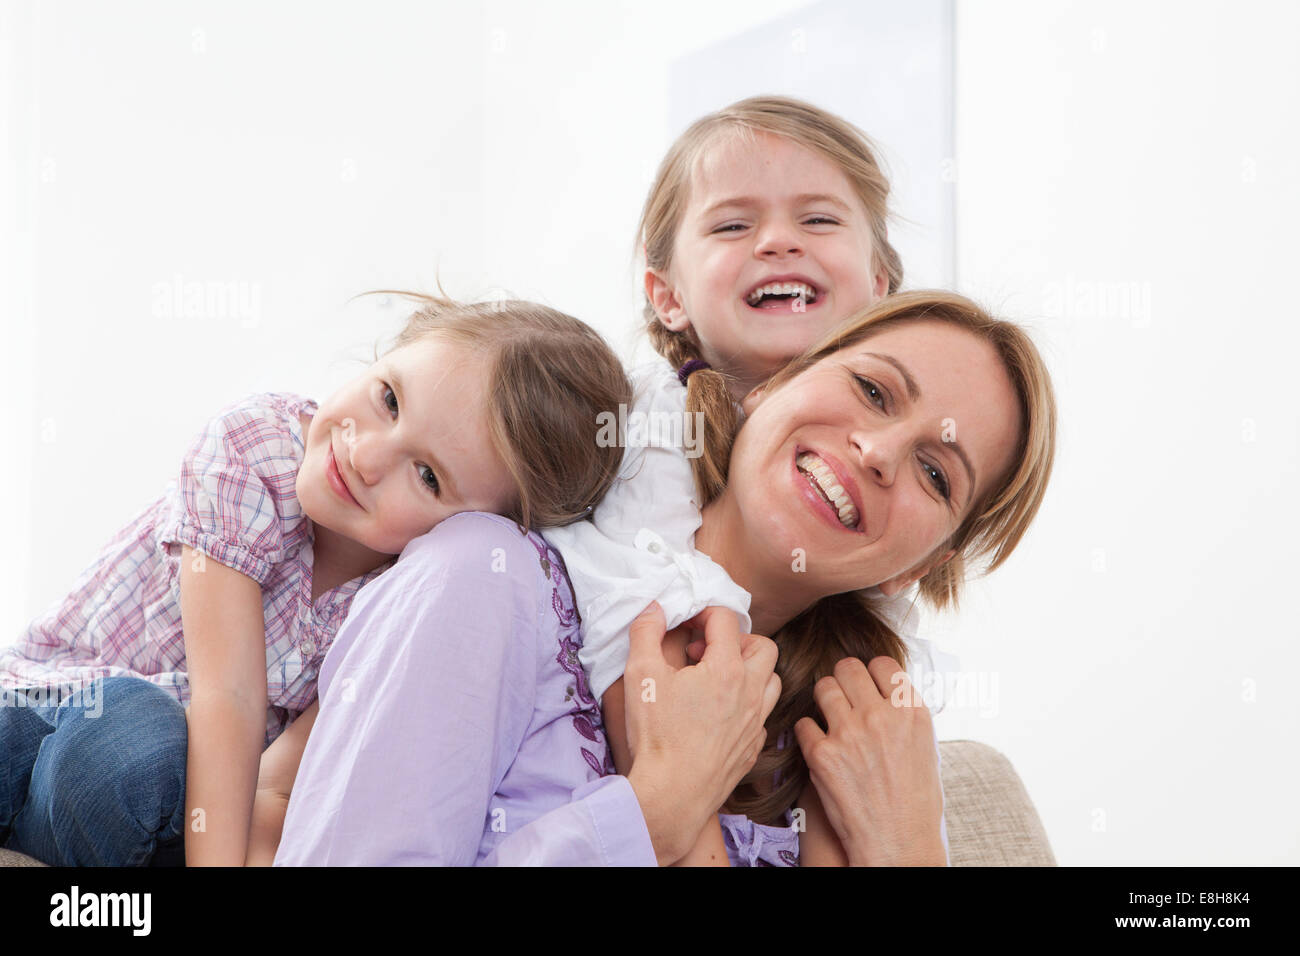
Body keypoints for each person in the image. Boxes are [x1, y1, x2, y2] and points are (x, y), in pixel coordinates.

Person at [270, 289, 1056, 866]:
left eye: (934, 472)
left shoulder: (868, 760)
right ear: (773, 385)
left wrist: (910, 850)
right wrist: (655, 812)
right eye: (874, 390)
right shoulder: (485, 578)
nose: (880, 453)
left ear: (921, 565)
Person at [0, 294, 630, 866]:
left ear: (471, 531)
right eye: (388, 399)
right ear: (391, 349)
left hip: (162, 790)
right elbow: (231, 700)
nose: (365, 455)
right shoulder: (257, 449)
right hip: (56, 703)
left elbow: (275, 786)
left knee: (161, 770)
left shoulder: (404, 604)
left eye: (429, 476)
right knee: (144, 738)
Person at [543, 95, 943, 862]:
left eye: (819, 221)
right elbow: (652, 644)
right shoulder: (648, 428)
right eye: (733, 225)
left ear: (881, 283)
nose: (779, 243)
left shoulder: (872, 492)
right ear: (669, 296)